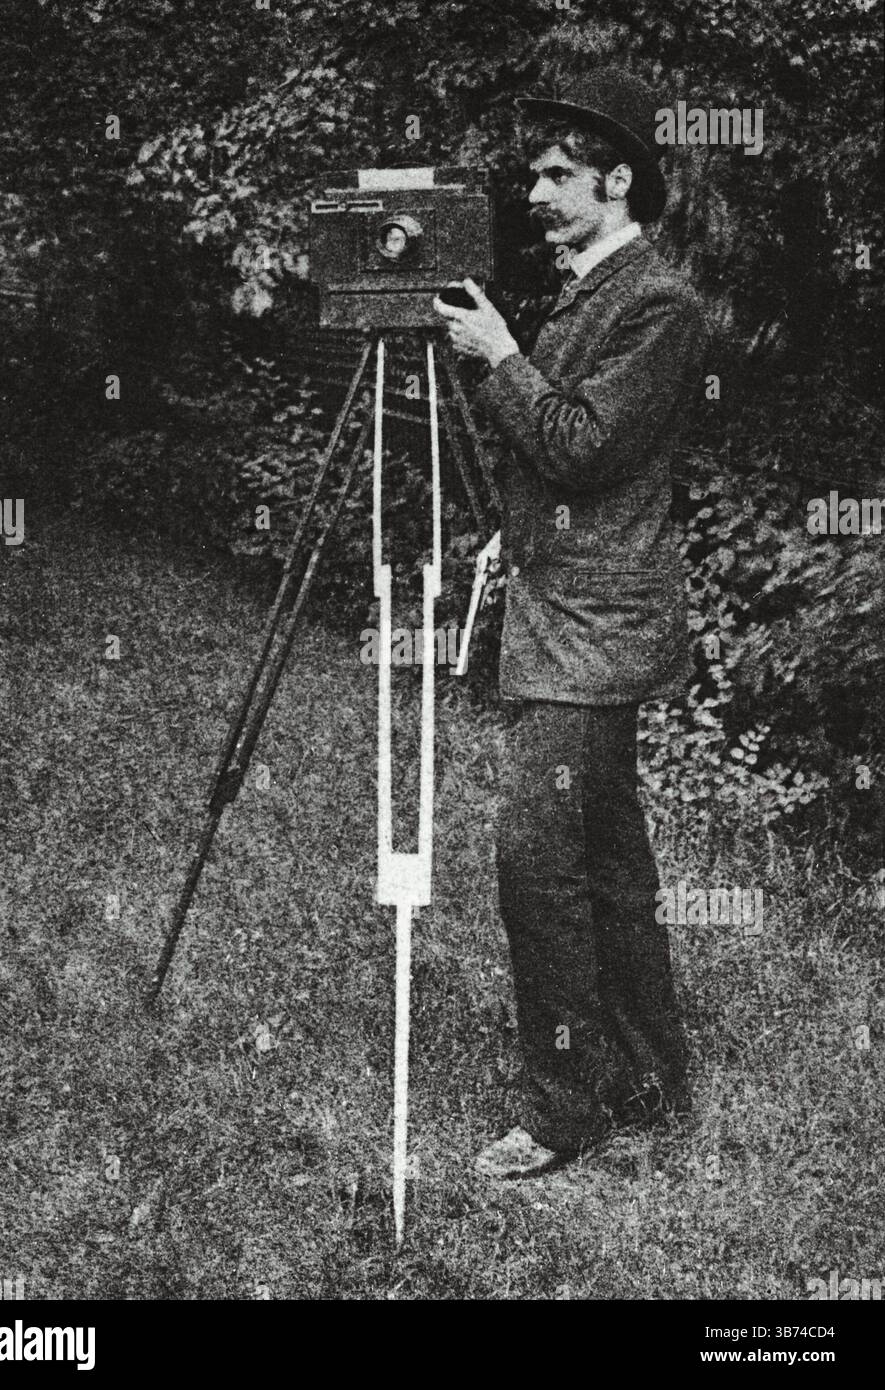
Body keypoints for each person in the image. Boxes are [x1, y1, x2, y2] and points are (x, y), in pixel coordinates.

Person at [434, 66, 706, 1178]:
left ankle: (565, 1109)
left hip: (593, 633)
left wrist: (498, 357)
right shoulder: (593, 285)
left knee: (535, 864)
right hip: (565, 610)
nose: (535, 195)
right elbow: (563, 464)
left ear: (617, 179)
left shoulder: (656, 302)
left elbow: (583, 445)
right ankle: (648, 1079)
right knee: (602, 861)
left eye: (557, 176)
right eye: (534, 176)